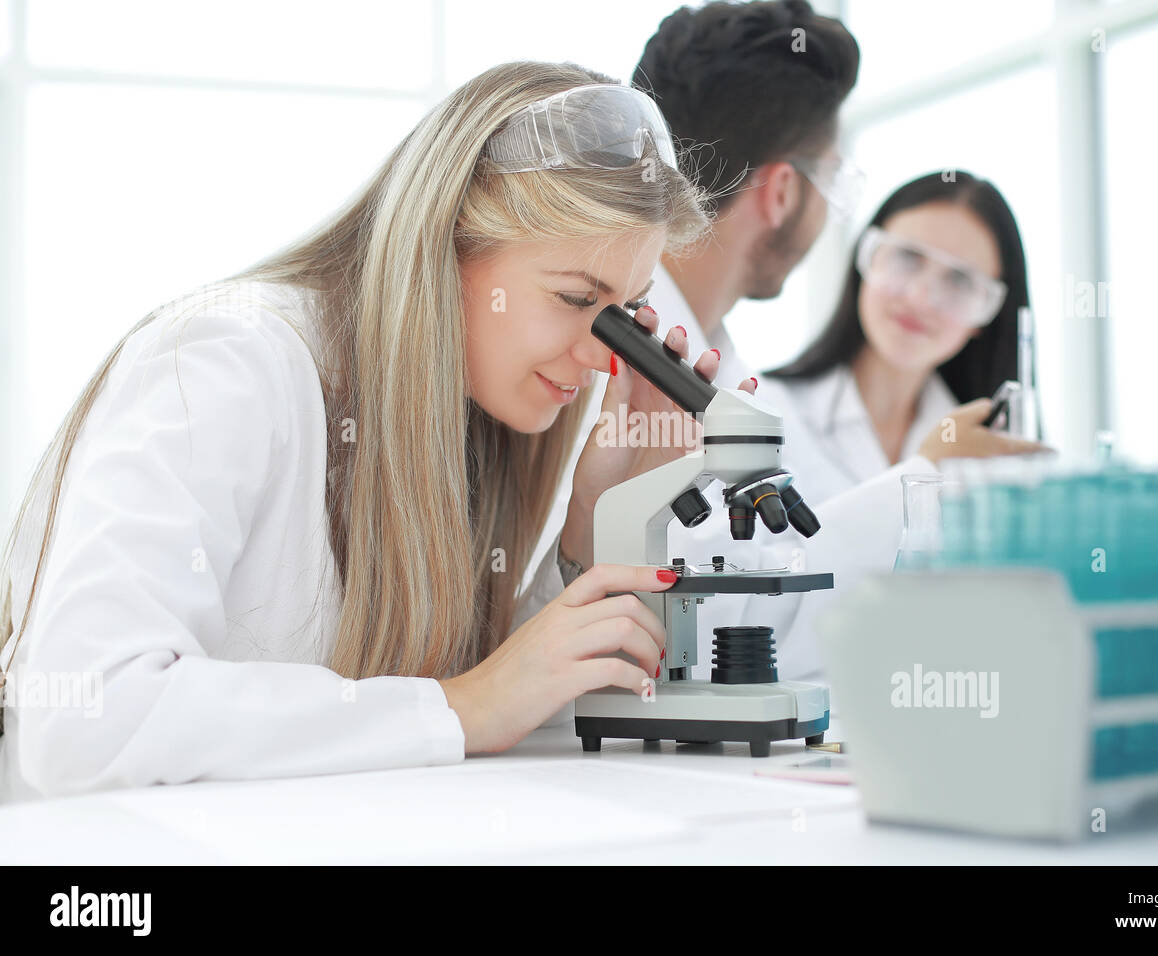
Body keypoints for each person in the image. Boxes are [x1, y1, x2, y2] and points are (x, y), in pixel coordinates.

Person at [0, 61, 756, 801]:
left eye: (624, 312)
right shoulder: (227, 362)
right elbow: (83, 718)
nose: (601, 358)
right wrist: (463, 705)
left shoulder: (467, 409)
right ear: (445, 247)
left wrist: (599, 519)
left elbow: (497, 709)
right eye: (572, 297)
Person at [541, 1, 1043, 685]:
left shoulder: (713, 363)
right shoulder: (593, 357)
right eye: (830, 180)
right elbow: (728, 620)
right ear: (780, 193)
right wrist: (922, 483)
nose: (922, 297)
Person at [764, 169, 1037, 503]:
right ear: (867, 257)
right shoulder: (767, 412)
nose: (920, 298)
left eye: (960, 281)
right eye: (907, 257)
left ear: (987, 314)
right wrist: (928, 464)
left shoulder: (989, 459)